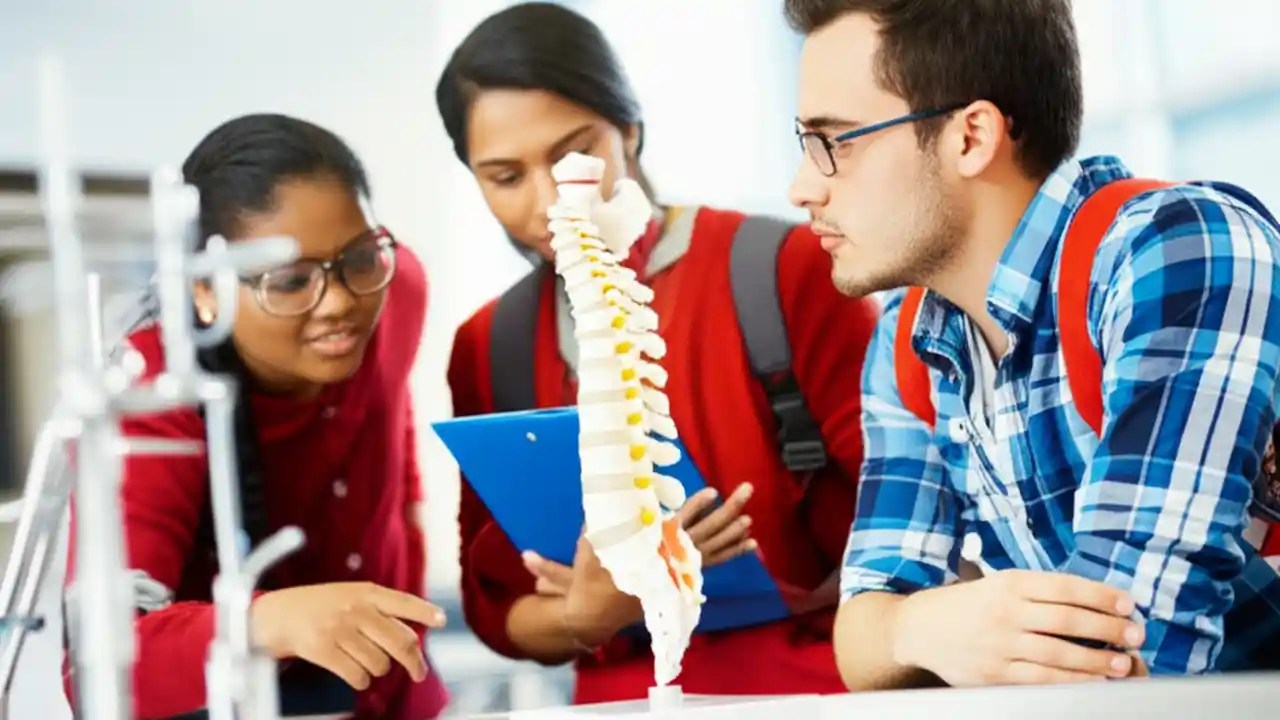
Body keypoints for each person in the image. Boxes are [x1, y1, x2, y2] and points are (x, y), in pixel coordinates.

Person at [785, 0, 1280, 690]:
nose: (802, 187)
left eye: (833, 142)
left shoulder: (1178, 249)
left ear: (971, 137)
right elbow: (861, 641)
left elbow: (1132, 643)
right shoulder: (907, 341)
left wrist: (921, 625)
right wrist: (925, 624)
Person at [437, 2, 880, 704]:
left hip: (809, 692)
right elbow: (496, 604)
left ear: (630, 130)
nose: (552, 200)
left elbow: (915, 514)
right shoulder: (487, 347)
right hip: (615, 703)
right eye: (506, 177)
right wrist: (588, 614)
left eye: (572, 153)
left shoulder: (787, 270)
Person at [61, 114, 449, 719]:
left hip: (401, 696)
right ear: (205, 290)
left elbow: (392, 423)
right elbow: (100, 664)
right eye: (290, 281)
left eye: (358, 258)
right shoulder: (154, 392)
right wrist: (266, 619)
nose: (343, 301)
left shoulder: (397, 287)